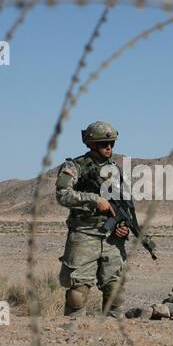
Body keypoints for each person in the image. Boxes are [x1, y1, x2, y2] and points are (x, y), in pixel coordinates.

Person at [55, 120, 131, 318]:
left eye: (112, 144)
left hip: (111, 236)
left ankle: (112, 342)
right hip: (83, 233)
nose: (109, 148)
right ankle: (71, 338)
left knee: (116, 293)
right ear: (92, 144)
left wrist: (124, 227)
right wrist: (94, 200)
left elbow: (122, 204)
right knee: (77, 294)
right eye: (104, 144)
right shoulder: (74, 166)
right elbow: (63, 194)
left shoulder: (114, 170)